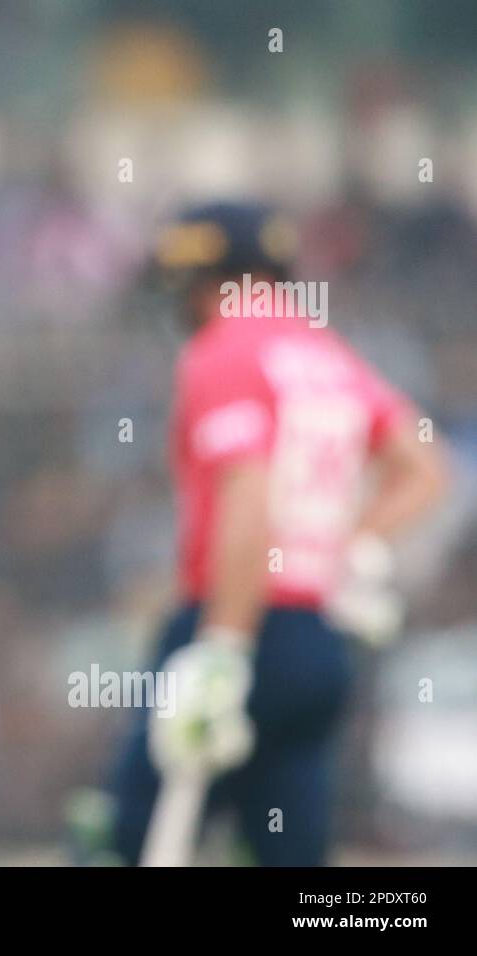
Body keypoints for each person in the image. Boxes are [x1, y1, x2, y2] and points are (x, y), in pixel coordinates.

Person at [107, 201, 450, 866]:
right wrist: (348, 547)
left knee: (133, 836)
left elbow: (249, 499)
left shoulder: (224, 351)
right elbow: (425, 469)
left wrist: (223, 648)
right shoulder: (325, 353)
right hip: (314, 639)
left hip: (239, 625)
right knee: (293, 857)